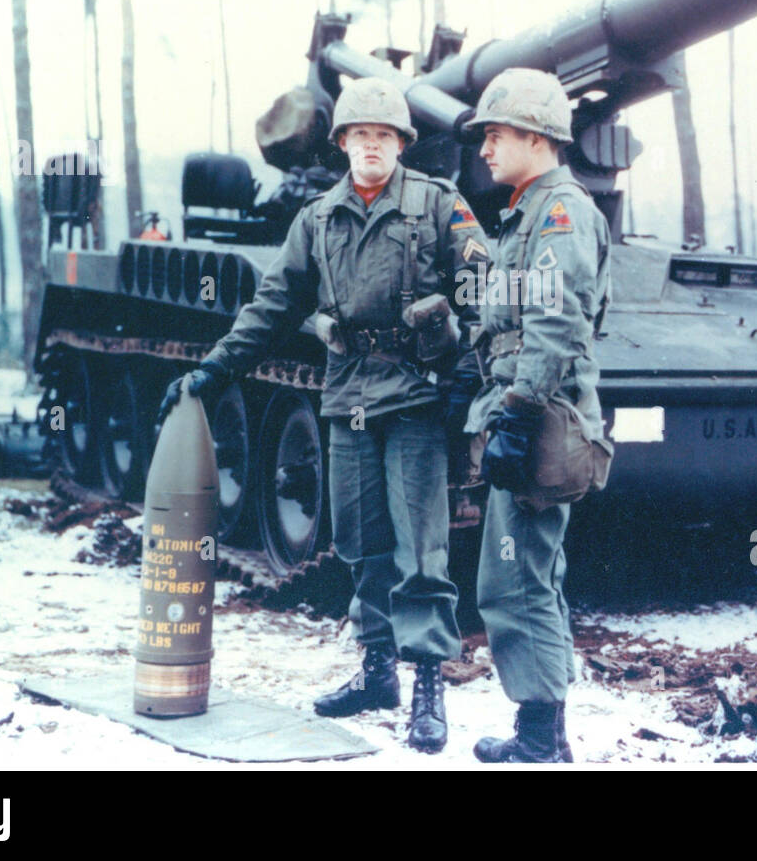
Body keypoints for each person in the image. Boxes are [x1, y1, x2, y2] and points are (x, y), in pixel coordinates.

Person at [158, 76, 490, 754]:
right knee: (361, 541)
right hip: (348, 397)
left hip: (417, 396)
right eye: (360, 135)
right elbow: (272, 307)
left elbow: (486, 293)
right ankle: (375, 670)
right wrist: (215, 368)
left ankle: (427, 679)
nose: (372, 146)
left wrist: (470, 376)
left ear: (402, 143)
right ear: (342, 143)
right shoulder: (317, 218)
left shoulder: (438, 205)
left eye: (384, 135)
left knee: (421, 547)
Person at [457, 67, 611, 762]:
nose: (485, 149)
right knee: (522, 575)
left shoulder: (558, 211)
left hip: (539, 416)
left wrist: (516, 414)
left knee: (518, 578)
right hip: (526, 407)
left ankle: (542, 739)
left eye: (495, 134)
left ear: (535, 136)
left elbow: (555, 322)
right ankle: (541, 730)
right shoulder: (527, 211)